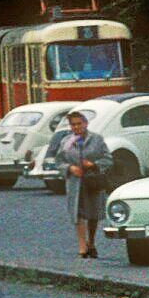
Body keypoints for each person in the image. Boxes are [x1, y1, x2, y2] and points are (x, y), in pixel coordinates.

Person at [55, 109, 111, 259]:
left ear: (86, 123)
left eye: (79, 124)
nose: (77, 127)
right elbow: (59, 161)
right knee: (78, 214)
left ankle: (91, 242)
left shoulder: (97, 139)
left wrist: (93, 164)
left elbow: (108, 159)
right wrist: (70, 168)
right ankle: (82, 245)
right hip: (75, 183)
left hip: (93, 181)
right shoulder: (66, 142)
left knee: (93, 214)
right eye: (73, 125)